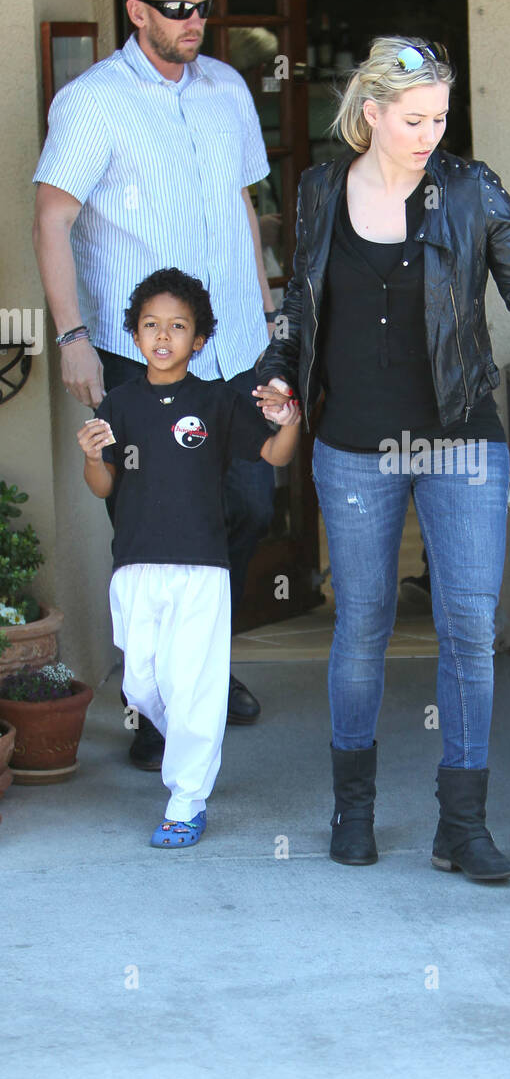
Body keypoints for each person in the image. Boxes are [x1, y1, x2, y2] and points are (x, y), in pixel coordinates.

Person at [254, 34, 510, 880]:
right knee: (361, 629)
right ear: (371, 113)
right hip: (351, 445)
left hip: (459, 439)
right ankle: (355, 809)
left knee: (467, 629)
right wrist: (278, 377)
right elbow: (296, 313)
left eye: (440, 117)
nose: (429, 133)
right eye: (413, 118)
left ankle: (462, 825)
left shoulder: (471, 189)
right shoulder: (318, 192)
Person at [33, 0, 277, 762]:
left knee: (248, 506)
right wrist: (72, 338)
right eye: (175, 8)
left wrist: (266, 312)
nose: (194, 22)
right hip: (140, 358)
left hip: (232, 344)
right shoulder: (93, 101)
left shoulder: (228, 89)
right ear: (137, 12)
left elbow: (242, 202)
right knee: (150, 531)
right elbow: (51, 220)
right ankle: (156, 706)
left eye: (203, 6)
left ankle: (196, 668)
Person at [77, 269, 300, 847]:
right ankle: (186, 744)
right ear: (133, 334)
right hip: (135, 564)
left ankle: (186, 800)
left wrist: (288, 421)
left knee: (195, 685)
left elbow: (274, 454)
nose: (163, 335)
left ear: (198, 340)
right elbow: (102, 487)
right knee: (144, 683)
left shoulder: (217, 400)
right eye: (151, 324)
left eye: (178, 326)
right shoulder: (118, 403)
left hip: (202, 567)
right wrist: (93, 457)